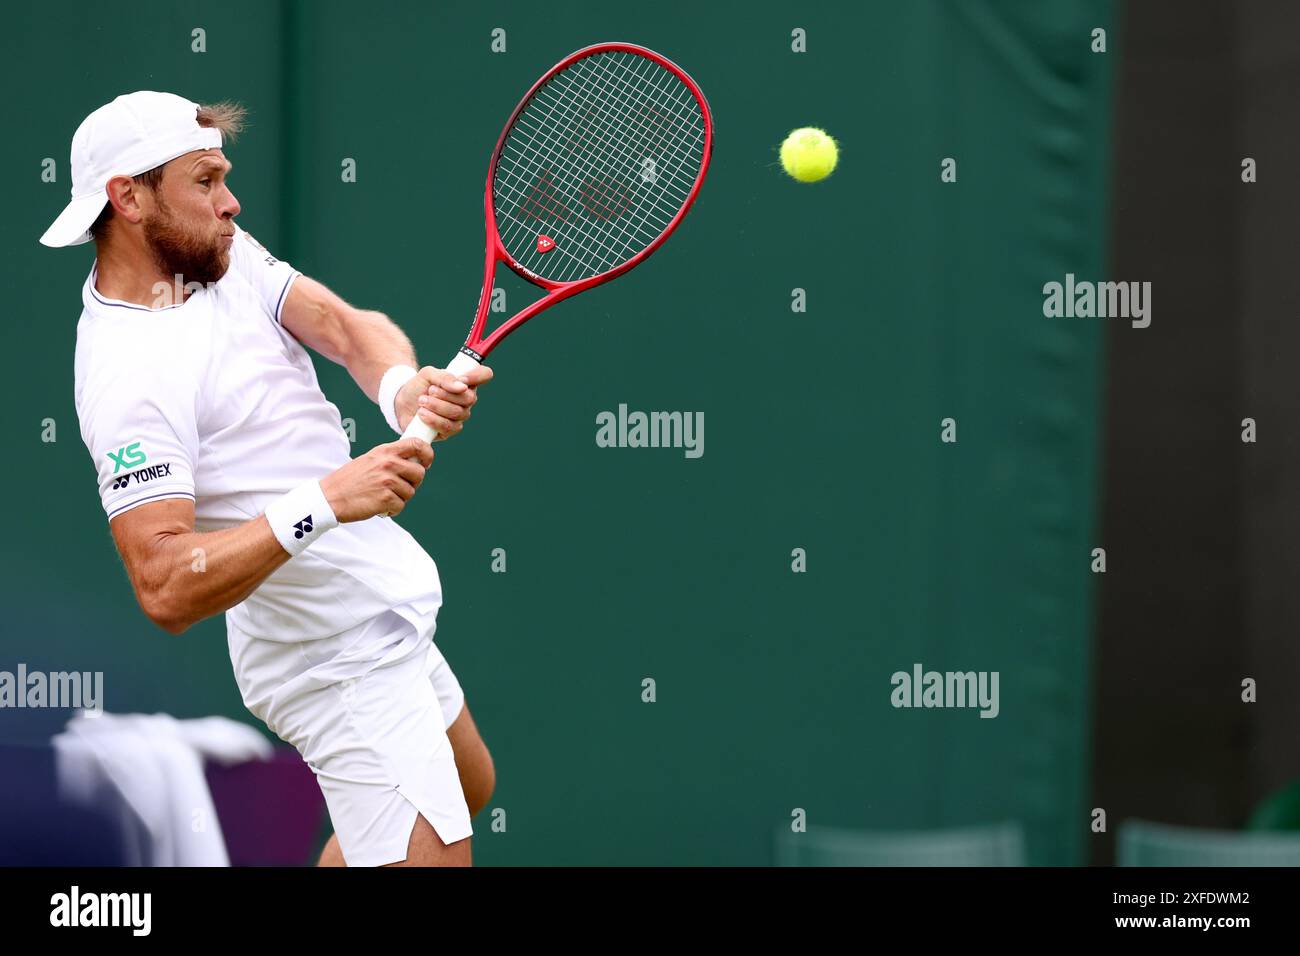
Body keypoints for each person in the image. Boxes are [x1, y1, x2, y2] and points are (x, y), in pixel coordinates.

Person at [42, 91, 494, 867]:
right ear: (128, 198)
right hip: (329, 652)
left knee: (466, 780)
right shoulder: (130, 376)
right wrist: (326, 499)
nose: (231, 201)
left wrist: (400, 390)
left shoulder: (209, 252)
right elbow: (163, 584)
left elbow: (342, 325)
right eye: (206, 181)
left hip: (372, 596)